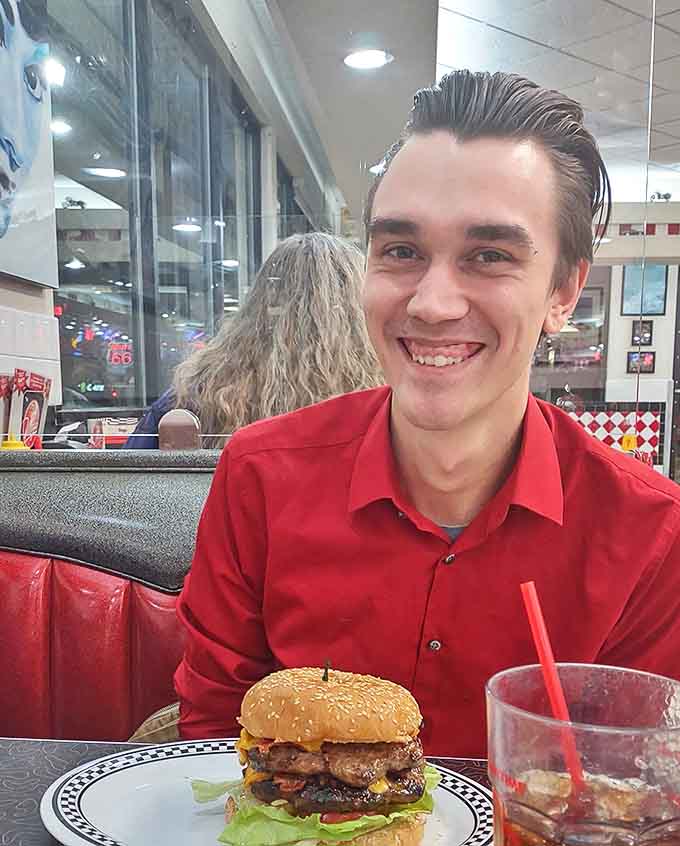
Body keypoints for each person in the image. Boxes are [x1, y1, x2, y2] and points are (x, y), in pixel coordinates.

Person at [174, 70, 680, 757]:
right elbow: (213, 735)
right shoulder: (259, 475)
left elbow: (628, 780)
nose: (432, 304)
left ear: (563, 293)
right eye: (402, 252)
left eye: (489, 256)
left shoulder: (650, 532)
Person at [125, 232, 383, 448]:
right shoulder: (382, 388)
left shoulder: (200, 387)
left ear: (262, 299)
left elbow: (130, 473)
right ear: (356, 306)